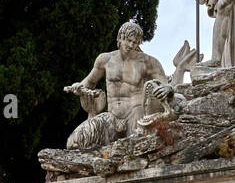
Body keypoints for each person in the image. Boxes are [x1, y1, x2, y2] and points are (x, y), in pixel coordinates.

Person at [63, 21, 168, 149]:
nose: (131, 45)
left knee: (136, 147)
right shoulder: (105, 59)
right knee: (77, 140)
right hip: (111, 117)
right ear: (120, 37)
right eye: (128, 40)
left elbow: (165, 85)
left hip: (136, 114)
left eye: (135, 43)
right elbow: (89, 82)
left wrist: (167, 89)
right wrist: (78, 87)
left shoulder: (148, 62)